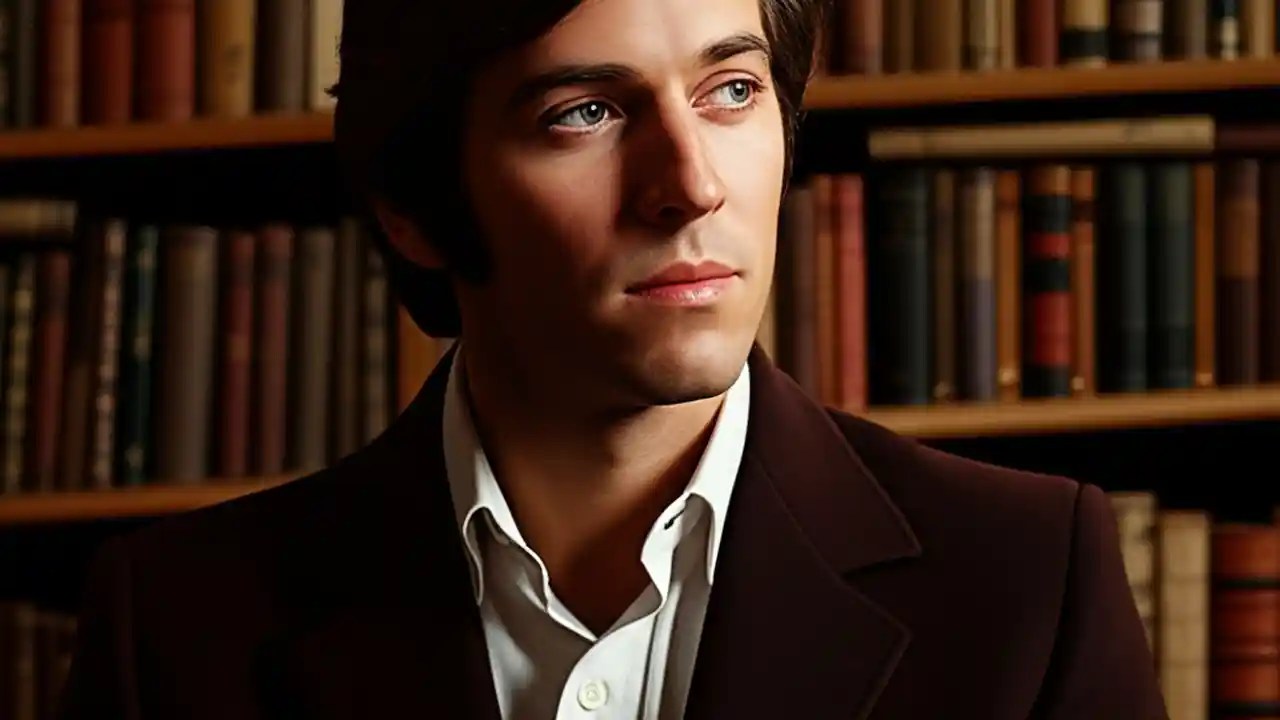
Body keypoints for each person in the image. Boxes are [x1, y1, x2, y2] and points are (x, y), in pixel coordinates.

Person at [59, 0, 1170, 717]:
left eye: (731, 91)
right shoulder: (175, 626)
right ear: (413, 207)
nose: (690, 184)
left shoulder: (1028, 583)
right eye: (585, 111)